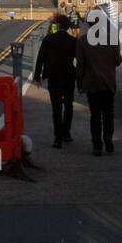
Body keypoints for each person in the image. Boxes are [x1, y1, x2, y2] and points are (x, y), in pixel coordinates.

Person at [76, 6, 122, 156]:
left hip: (92, 83)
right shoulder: (112, 38)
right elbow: (118, 61)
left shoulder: (83, 41)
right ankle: (108, 137)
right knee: (108, 112)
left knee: (95, 115)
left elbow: (80, 65)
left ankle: (97, 145)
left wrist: (79, 83)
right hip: (108, 82)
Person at [33, 13, 77, 148]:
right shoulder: (73, 41)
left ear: (57, 25)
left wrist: (37, 77)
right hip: (69, 76)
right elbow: (80, 60)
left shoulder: (48, 39)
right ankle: (66, 133)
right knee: (68, 105)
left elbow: (40, 58)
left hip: (53, 76)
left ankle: (57, 139)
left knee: (56, 107)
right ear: (68, 26)